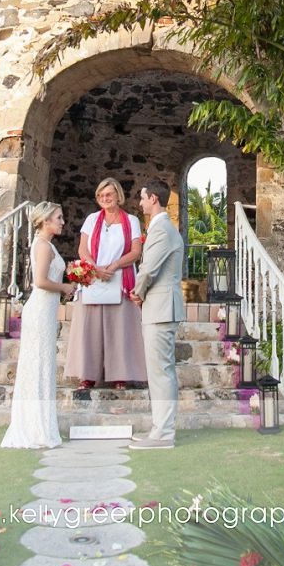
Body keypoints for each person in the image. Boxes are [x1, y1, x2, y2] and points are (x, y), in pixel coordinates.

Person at [1, 201, 76, 449]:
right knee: (37, 365)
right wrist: (65, 286)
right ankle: (33, 427)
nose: (62, 222)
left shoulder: (46, 245)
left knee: (43, 364)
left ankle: (40, 425)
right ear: (45, 221)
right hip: (41, 309)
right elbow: (41, 281)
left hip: (47, 309)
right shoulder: (42, 246)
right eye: (59, 217)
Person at [65, 177, 147, 390]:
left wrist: (115, 265)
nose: (105, 198)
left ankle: (120, 374)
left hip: (120, 279)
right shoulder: (92, 219)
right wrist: (95, 268)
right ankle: (88, 375)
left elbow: (136, 251)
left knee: (120, 330)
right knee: (89, 330)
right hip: (93, 279)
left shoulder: (131, 221)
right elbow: (83, 249)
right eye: (101, 195)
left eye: (108, 194)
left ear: (118, 195)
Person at [128, 181, 185, 449]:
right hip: (160, 307)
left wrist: (137, 292)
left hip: (161, 309)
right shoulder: (161, 228)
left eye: (142, 199)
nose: (140, 204)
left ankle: (163, 433)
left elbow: (149, 268)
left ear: (153, 198)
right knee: (161, 371)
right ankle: (159, 429)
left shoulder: (162, 229)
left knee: (160, 372)